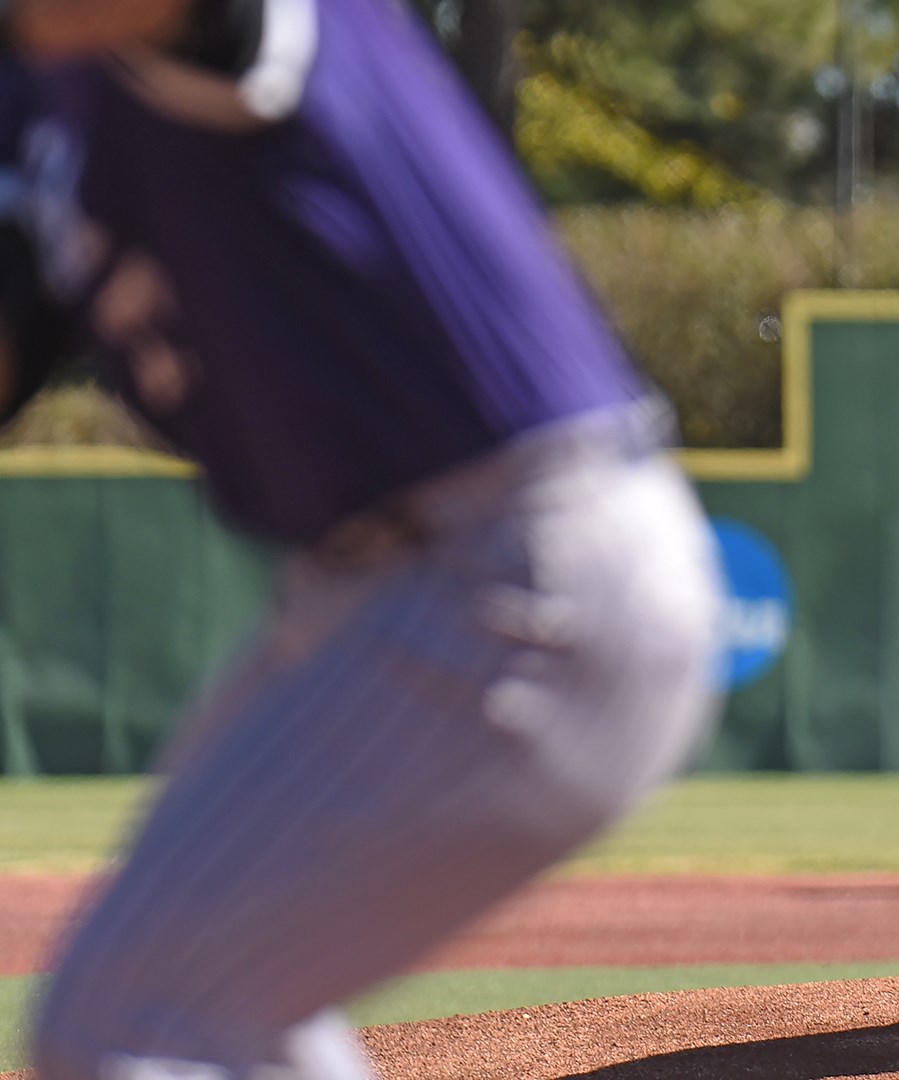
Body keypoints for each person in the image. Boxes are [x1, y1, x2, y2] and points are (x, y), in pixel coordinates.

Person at [2, 2, 722, 1076]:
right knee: (214, 1015)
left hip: (519, 567)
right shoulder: (36, 106)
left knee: (130, 1018)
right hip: (376, 593)